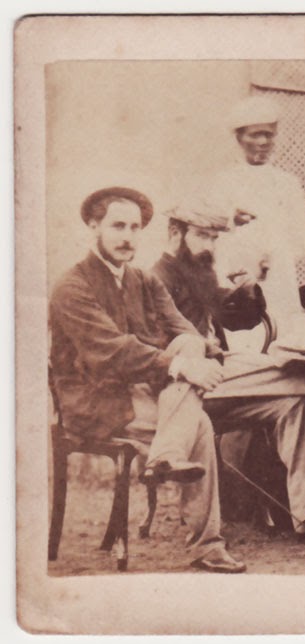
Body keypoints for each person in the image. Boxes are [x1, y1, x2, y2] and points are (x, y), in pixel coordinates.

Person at [49, 187, 245, 573]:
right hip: (97, 400)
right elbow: (111, 349)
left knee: (190, 341)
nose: (128, 237)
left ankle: (167, 457)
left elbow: (182, 329)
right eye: (117, 226)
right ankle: (207, 544)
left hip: (149, 392)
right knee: (200, 423)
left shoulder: (144, 281)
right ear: (93, 227)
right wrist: (182, 367)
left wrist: (196, 353)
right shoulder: (72, 287)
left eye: (135, 228)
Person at [150, 201, 305, 544]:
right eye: (202, 236)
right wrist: (208, 350)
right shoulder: (158, 278)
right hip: (184, 389)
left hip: (219, 373)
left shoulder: (198, 270)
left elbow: (236, 316)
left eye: (214, 238)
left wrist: (249, 288)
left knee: (294, 402)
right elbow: (158, 349)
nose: (210, 245)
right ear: (176, 234)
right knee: (304, 377)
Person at [206, 95, 305, 340]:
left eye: (269, 134)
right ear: (239, 137)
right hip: (234, 281)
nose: (263, 142)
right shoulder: (222, 183)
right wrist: (232, 224)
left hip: (277, 280)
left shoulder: (287, 184)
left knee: (280, 338)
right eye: (255, 134)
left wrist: (277, 256)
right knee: (239, 342)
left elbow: (302, 240)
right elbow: (209, 234)